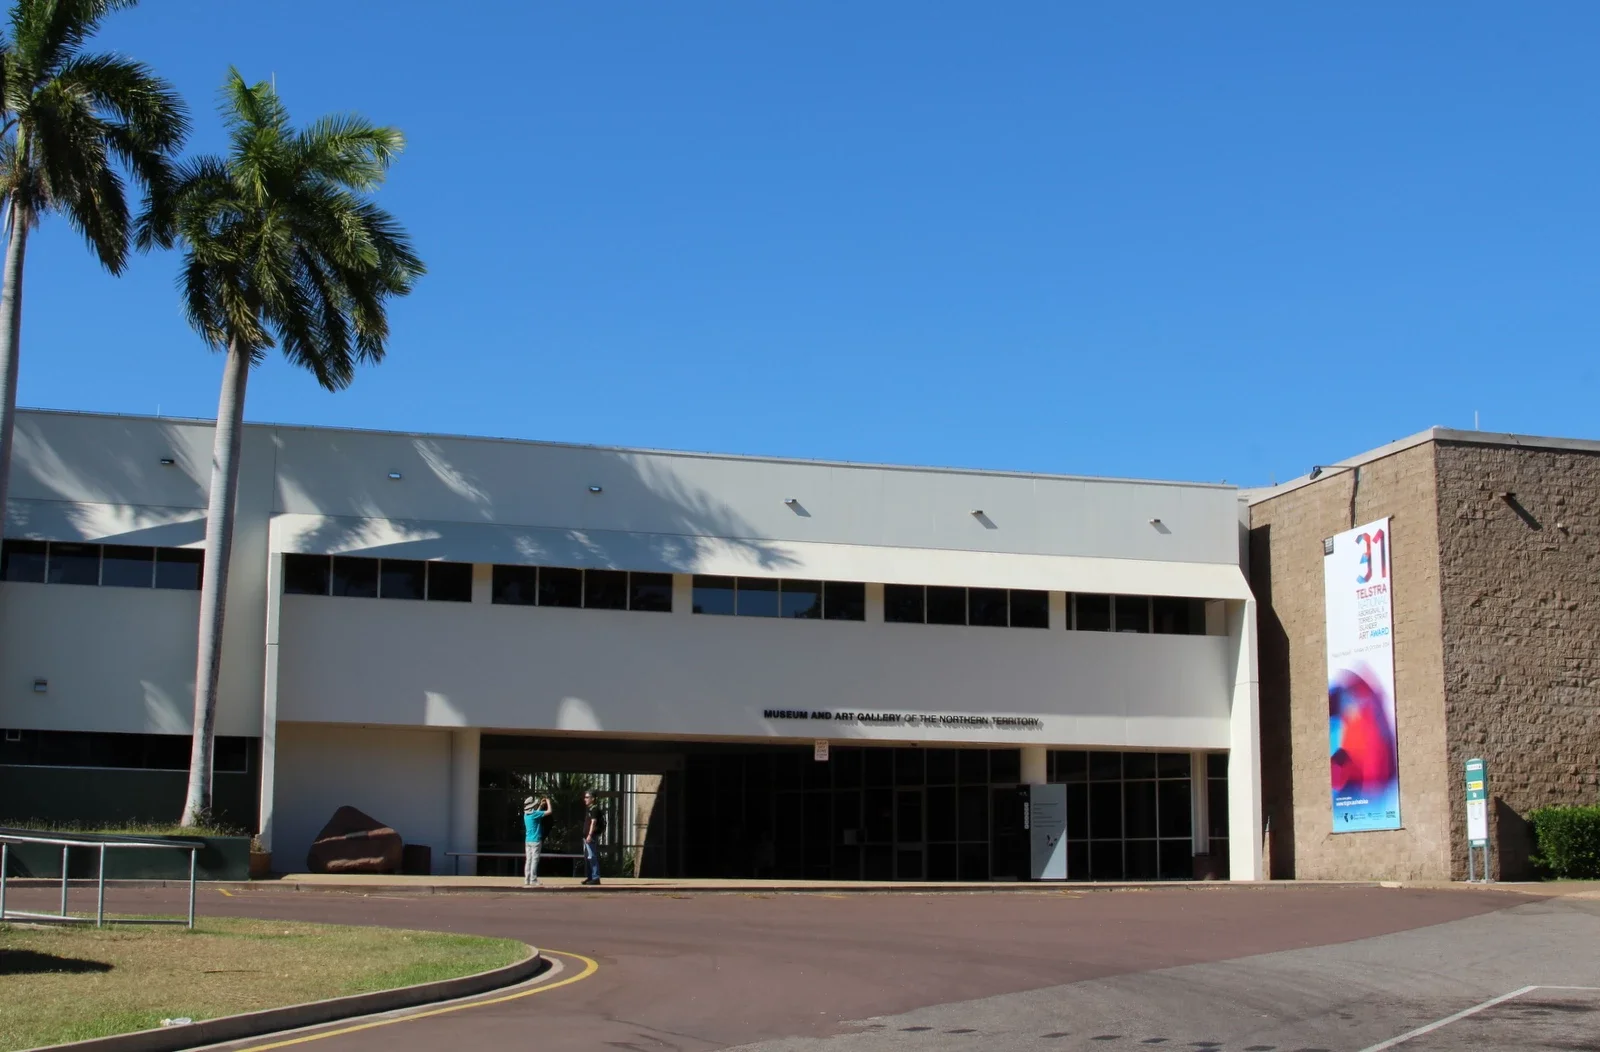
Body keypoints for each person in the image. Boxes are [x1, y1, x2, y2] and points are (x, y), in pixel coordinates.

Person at [523, 795, 550, 887]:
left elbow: (536, 813)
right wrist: (548, 802)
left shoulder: (526, 815)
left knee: (528, 860)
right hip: (535, 841)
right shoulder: (535, 814)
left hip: (528, 840)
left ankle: (527, 879)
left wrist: (540, 806)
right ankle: (533, 879)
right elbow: (549, 811)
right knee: (534, 860)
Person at [581, 789, 606, 885]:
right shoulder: (590, 809)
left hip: (590, 837)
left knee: (592, 856)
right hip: (585, 837)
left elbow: (593, 822)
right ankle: (590, 877)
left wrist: (590, 835)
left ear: (593, 799)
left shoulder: (594, 809)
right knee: (587, 857)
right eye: (585, 797)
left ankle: (596, 877)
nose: (585, 799)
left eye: (587, 797)